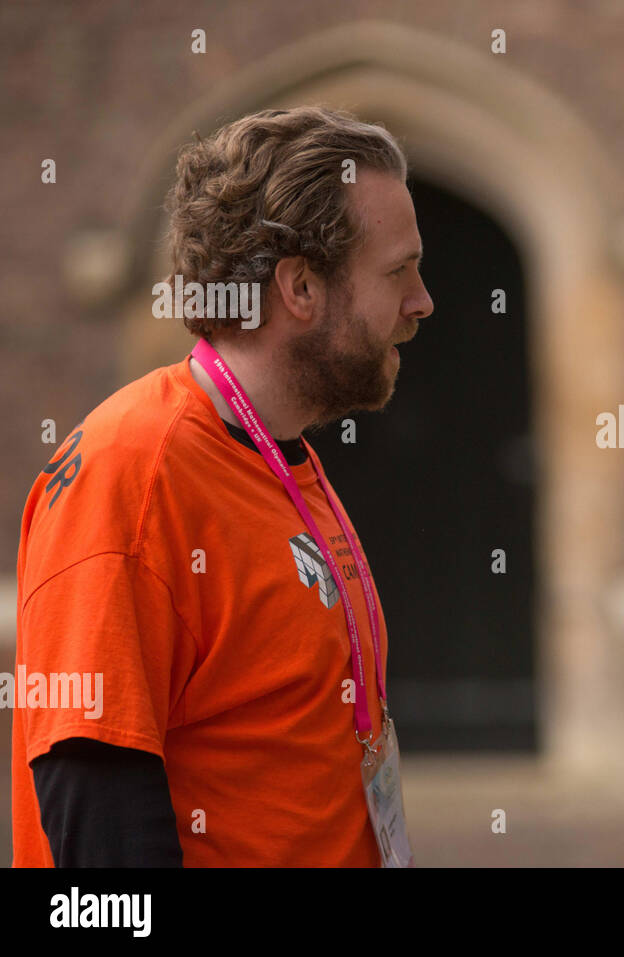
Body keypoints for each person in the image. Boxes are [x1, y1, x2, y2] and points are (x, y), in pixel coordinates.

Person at [11, 106, 433, 866]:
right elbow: (95, 812)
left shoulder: (283, 452)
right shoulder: (132, 473)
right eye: (398, 271)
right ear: (301, 287)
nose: (421, 301)